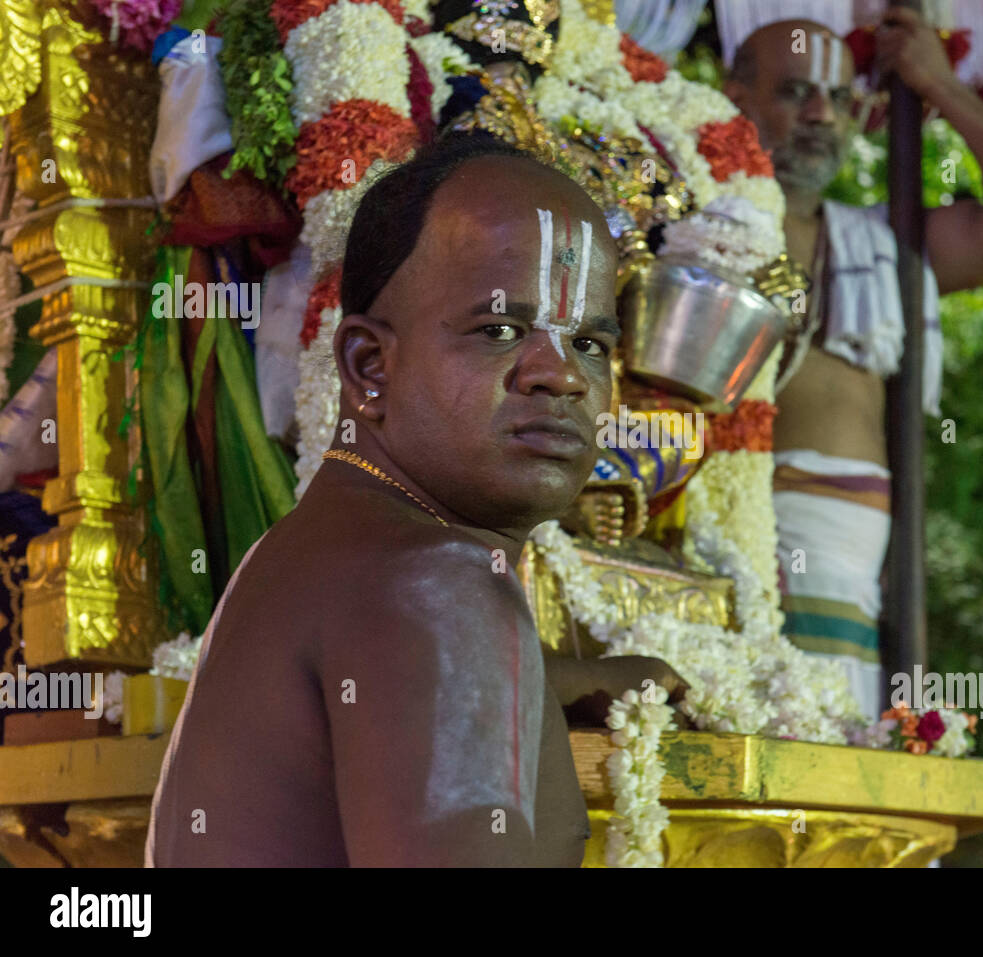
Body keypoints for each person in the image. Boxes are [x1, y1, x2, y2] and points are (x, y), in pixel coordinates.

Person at [146, 132, 686, 867]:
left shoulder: (322, 554)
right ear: (369, 365)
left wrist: (561, 677)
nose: (563, 378)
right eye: (499, 329)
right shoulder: (437, 582)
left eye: (590, 342)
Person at [724, 7, 983, 718]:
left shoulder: (886, 242)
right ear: (738, 101)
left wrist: (938, 85)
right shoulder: (688, 220)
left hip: (845, 550)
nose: (823, 115)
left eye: (842, 99)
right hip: (713, 536)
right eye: (796, 92)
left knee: (833, 749)